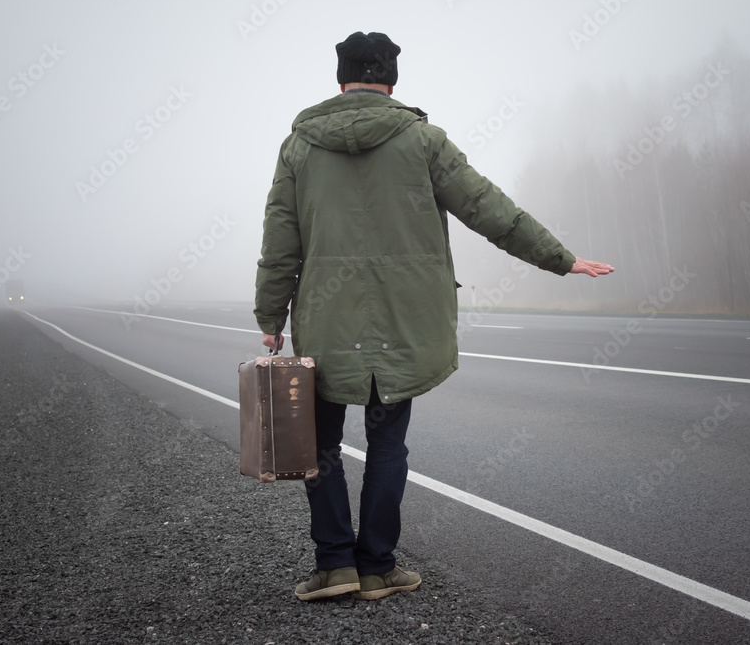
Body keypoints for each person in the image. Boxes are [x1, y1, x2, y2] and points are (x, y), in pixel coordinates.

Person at [253, 31, 614, 602]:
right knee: (387, 445)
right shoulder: (423, 141)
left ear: (340, 78)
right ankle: (377, 568)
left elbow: (281, 244)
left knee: (318, 446)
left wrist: (270, 315)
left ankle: (335, 566)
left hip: (325, 325)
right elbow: (489, 209)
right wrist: (560, 260)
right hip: (406, 326)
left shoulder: (298, 148)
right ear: (392, 81)